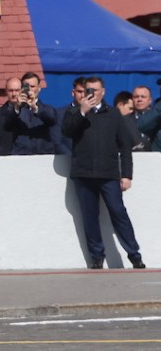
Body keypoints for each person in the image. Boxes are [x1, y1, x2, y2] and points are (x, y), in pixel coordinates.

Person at [60, 77, 144, 270]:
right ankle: (97, 256)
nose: (92, 94)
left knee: (118, 212)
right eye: (88, 90)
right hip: (84, 174)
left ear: (103, 92)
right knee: (89, 216)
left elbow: (125, 146)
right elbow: (66, 131)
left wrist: (127, 175)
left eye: (96, 90)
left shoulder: (113, 114)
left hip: (108, 174)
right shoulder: (74, 112)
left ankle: (134, 254)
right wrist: (82, 111)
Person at [0, 72, 59, 155]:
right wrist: (17, 107)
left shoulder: (46, 108)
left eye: (32, 86)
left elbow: (52, 119)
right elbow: (6, 125)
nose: (30, 90)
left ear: (39, 88)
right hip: (22, 156)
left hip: (42, 155)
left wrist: (35, 108)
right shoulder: (16, 109)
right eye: (26, 87)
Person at [131, 85, 161, 150]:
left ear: (150, 100)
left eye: (143, 97)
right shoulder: (123, 120)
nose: (139, 99)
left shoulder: (157, 116)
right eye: (136, 97)